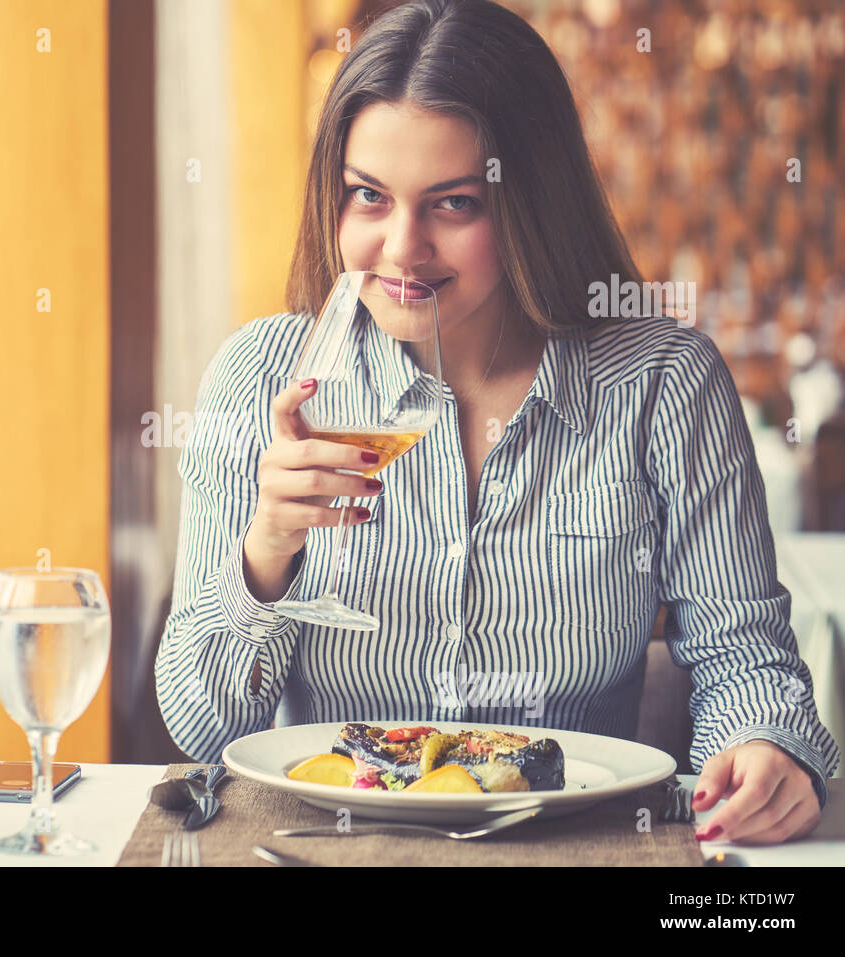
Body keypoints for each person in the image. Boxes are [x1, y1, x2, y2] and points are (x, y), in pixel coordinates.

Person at [154, 0, 839, 845]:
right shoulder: (258, 377)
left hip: (573, 849)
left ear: (529, 204)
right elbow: (200, 724)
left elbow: (744, 657)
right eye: (369, 195)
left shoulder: (665, 385)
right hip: (323, 848)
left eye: (453, 204)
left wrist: (763, 745)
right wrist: (265, 555)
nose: (401, 248)